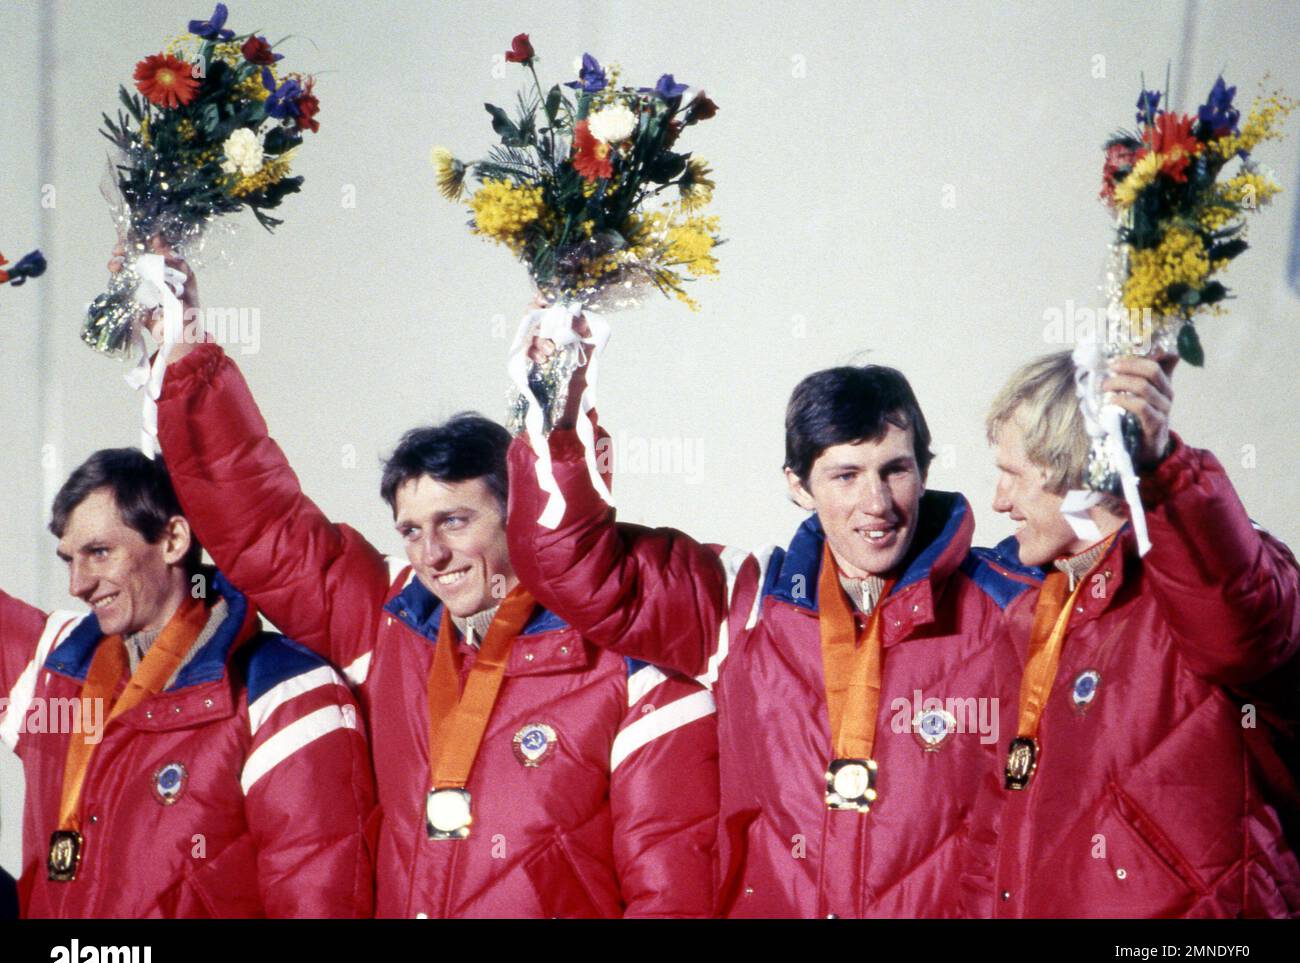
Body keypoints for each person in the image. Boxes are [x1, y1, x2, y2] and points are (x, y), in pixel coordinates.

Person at [140, 254, 718, 918]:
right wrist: (183, 355)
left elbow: (671, 891)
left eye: (455, 520)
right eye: (411, 529)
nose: (432, 553)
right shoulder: (389, 623)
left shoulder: (624, 659)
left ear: (518, 512)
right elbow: (263, 527)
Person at [507, 331, 1028, 917]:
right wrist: (557, 411)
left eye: (895, 469)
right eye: (845, 475)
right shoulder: (745, 604)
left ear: (925, 469)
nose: (877, 502)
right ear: (797, 485)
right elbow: (571, 566)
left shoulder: (1008, 608)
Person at [980, 350, 1300, 916]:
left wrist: (1163, 465)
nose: (999, 500)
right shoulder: (1034, 618)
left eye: (1012, 475)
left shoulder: (1207, 582)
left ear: (1079, 474)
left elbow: (1242, 618)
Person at [0, 448, 375, 917]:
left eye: (99, 552)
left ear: (174, 539)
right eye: (69, 560)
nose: (77, 584)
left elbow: (318, 901)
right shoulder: (57, 668)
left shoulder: (281, 692)